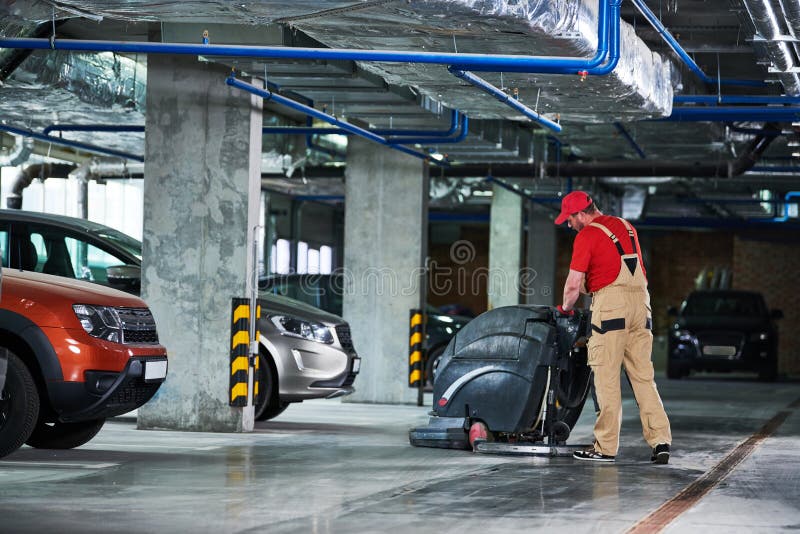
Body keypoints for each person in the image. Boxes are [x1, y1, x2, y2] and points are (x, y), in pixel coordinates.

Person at [554, 191, 671, 464]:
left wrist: (565, 310)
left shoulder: (587, 235)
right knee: (643, 378)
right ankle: (661, 441)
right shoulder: (626, 226)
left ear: (581, 214)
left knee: (605, 378)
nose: (569, 225)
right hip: (641, 306)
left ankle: (605, 447)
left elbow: (573, 285)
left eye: (570, 219)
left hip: (612, 308)